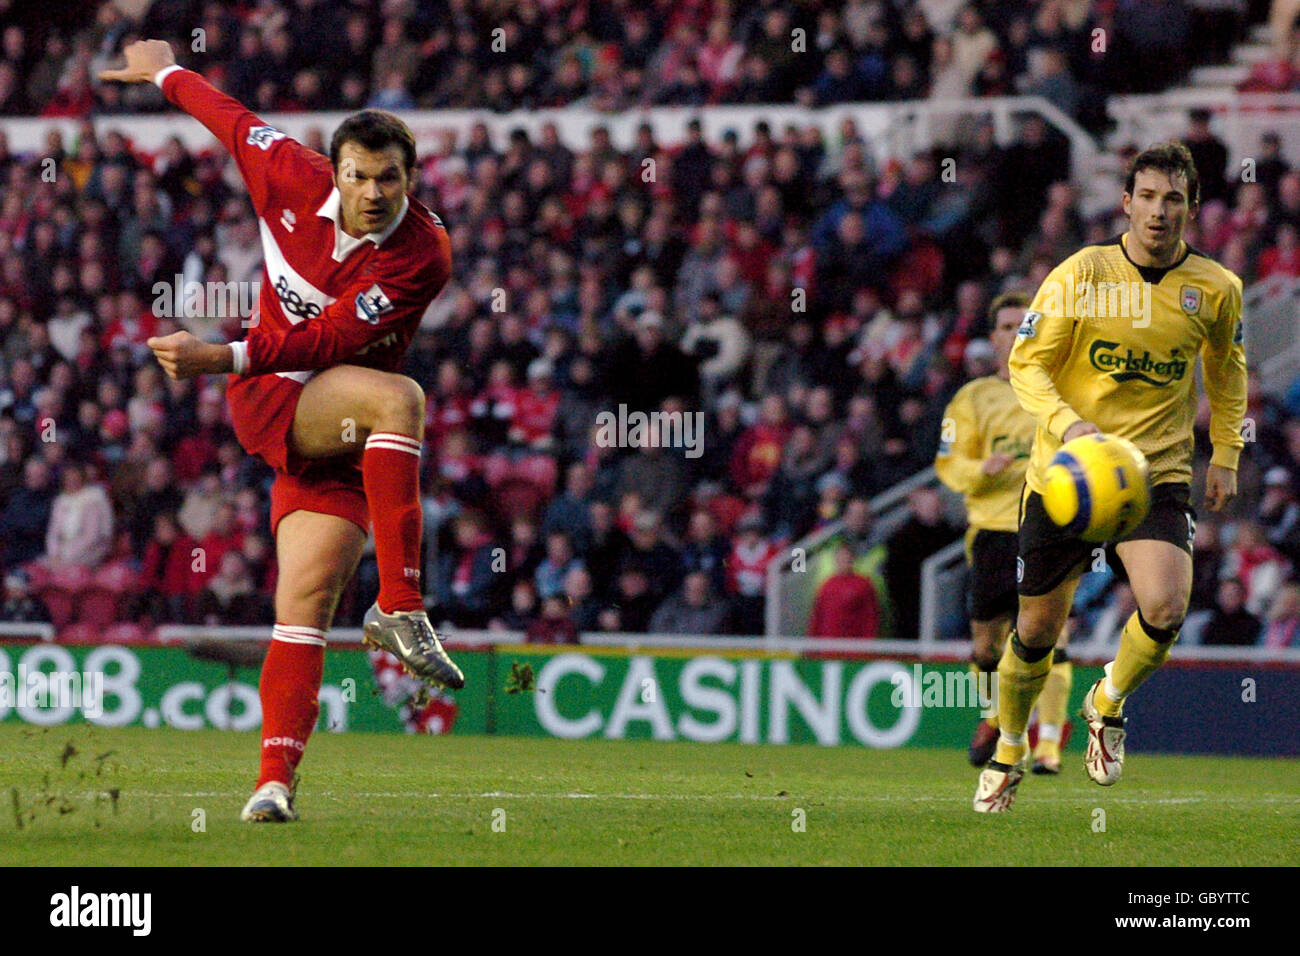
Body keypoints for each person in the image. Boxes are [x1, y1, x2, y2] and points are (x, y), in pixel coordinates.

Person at [101, 39, 461, 824]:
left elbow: (331, 339)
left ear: (412, 180)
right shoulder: (287, 170)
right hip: (275, 397)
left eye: (389, 178)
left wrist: (216, 354)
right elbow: (228, 119)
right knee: (401, 399)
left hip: (334, 422)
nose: (372, 192)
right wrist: (166, 70)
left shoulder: (421, 253)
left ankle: (272, 784)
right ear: (334, 172)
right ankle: (401, 605)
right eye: (358, 175)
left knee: (304, 605)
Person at [975, 142, 1247, 812]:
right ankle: (1011, 745)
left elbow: (1228, 372)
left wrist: (1228, 452)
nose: (1159, 211)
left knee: (1165, 605)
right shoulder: (1080, 273)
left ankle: (1107, 700)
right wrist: (1069, 426)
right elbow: (1026, 364)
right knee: (1036, 630)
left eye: (1173, 198)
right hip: (1067, 473)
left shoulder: (1217, 288)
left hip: (1155, 472)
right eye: (1148, 196)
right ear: (1126, 202)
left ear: (1191, 206)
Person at [935, 293, 1072, 774]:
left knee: (1050, 638)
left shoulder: (1058, 389)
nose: (1014, 333)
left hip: (1049, 524)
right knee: (985, 647)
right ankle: (994, 718)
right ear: (992, 337)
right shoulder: (972, 398)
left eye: (1022, 325)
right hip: (992, 530)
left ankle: (1049, 743)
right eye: (1006, 325)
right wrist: (980, 469)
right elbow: (949, 460)